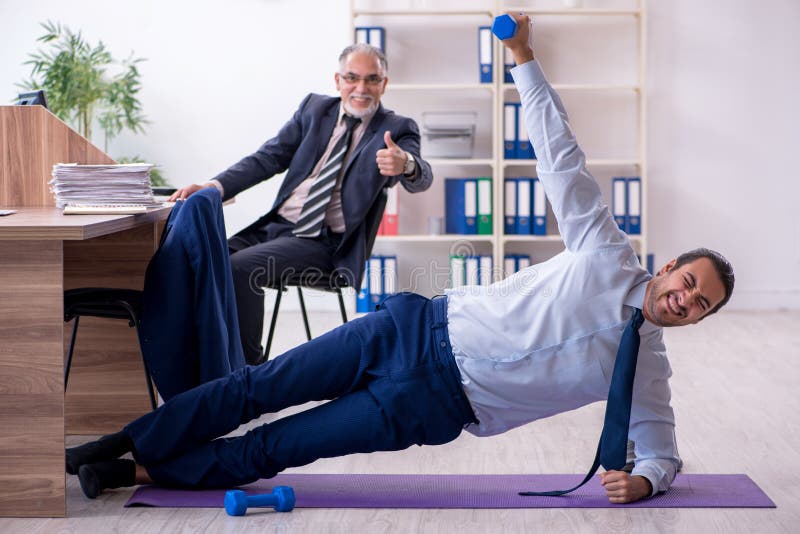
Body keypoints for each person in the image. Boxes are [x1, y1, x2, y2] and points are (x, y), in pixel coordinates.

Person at [67, 16, 734, 505]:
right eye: (689, 282)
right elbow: (560, 156)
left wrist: (646, 479)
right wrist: (522, 56)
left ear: (698, 320)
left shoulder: (649, 369)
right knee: (256, 390)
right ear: (671, 265)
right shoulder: (605, 250)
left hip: (432, 404)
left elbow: (662, 450)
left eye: (700, 304)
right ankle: (119, 442)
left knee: (280, 447)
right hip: (412, 328)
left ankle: (137, 472)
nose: (686, 299)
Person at [169, 43, 433, 365]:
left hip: (324, 243)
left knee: (240, 269)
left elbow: (422, 176)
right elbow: (269, 157)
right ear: (337, 80)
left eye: (372, 80)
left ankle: (249, 373)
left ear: (384, 84)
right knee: (204, 259)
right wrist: (214, 186)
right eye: (352, 77)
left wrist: (404, 164)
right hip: (278, 228)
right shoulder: (314, 109)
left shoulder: (397, 129)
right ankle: (211, 361)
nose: (361, 88)